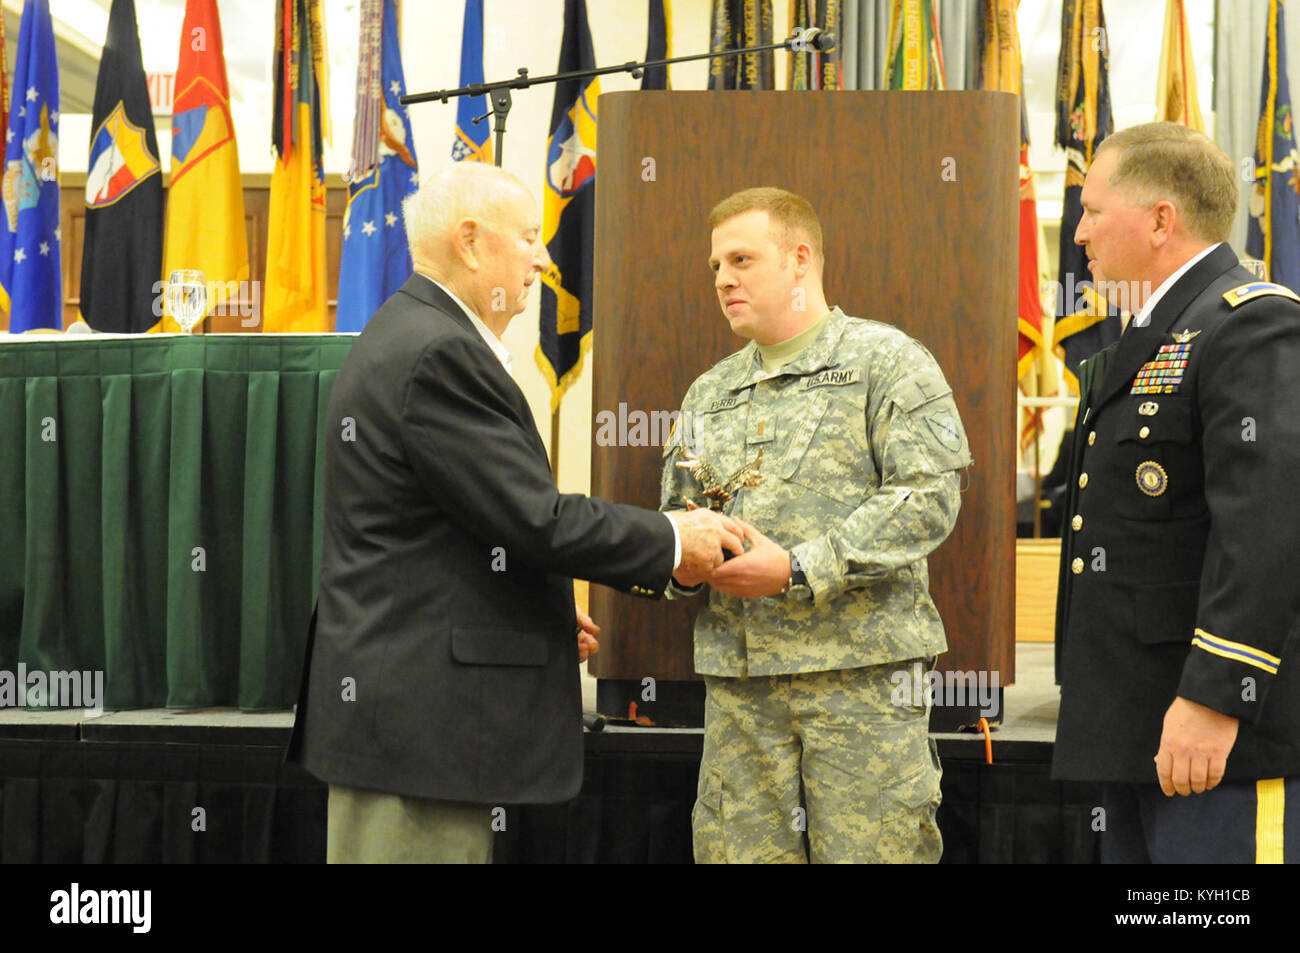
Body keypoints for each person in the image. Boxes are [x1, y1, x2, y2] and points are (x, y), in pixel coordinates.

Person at [286, 162, 742, 863]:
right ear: (471, 243)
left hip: (411, 731)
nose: (544, 255)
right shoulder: (438, 352)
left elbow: (455, 531)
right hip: (418, 740)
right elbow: (535, 519)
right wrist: (675, 537)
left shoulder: (419, 333)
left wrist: (537, 611)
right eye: (530, 235)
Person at [659, 187, 971, 863]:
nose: (723, 279)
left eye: (741, 259)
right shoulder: (707, 394)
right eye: (715, 266)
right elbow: (679, 521)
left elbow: (928, 497)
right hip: (742, 695)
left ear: (800, 259)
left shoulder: (886, 362)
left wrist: (801, 567)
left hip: (860, 683)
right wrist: (680, 567)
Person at [1052, 121, 1300, 863]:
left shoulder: (1251, 323)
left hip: (1217, 734)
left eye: (1094, 211)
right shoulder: (1160, 331)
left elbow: (1269, 531)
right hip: (1141, 727)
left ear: (1162, 218)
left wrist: (1216, 697)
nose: (1081, 234)